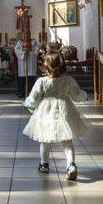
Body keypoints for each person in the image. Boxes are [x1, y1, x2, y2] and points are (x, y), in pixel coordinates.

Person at [22, 50, 88, 180]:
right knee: (67, 140)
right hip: (64, 111)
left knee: (45, 140)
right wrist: (84, 97)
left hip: (45, 112)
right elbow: (76, 94)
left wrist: (27, 102)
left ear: (45, 66)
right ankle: (71, 165)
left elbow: (34, 98)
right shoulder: (68, 80)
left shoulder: (41, 81)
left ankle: (44, 164)